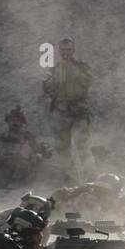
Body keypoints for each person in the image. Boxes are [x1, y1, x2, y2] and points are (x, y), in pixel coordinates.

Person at [41, 37, 94, 168]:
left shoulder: (83, 67)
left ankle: (90, 177)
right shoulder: (54, 69)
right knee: (62, 147)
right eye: (63, 49)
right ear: (59, 51)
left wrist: (72, 68)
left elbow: (87, 83)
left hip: (79, 111)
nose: (66, 52)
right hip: (61, 111)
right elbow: (48, 90)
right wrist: (48, 83)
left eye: (68, 49)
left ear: (73, 50)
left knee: (83, 147)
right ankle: (68, 178)